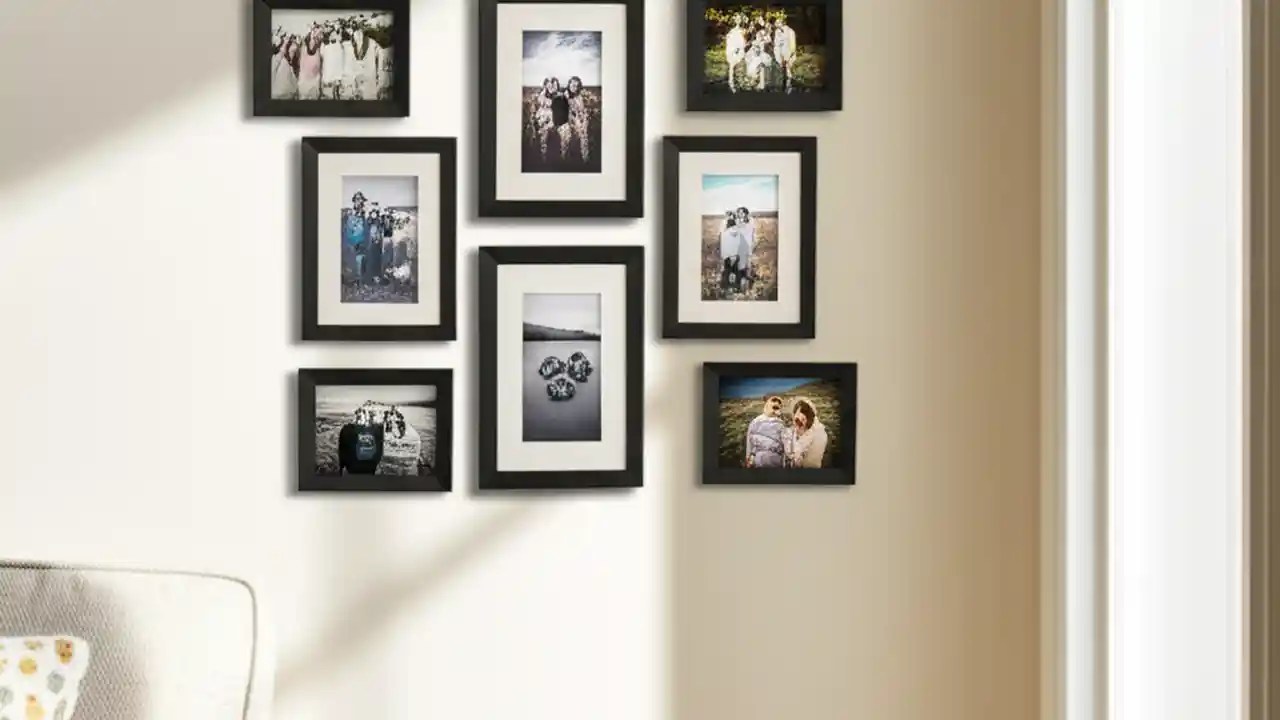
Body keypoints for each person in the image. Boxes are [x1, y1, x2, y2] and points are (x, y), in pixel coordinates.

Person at [338, 407, 385, 474]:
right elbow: (379, 449)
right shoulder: (376, 430)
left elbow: (342, 449)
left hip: (357, 467)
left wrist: (341, 466)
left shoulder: (347, 429)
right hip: (366, 466)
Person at [744, 395, 788, 467]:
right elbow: (749, 442)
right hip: (757, 460)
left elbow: (784, 446)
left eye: (778, 405)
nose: (776, 403)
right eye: (773, 401)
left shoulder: (781, 425)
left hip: (774, 461)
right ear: (767, 404)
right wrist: (748, 458)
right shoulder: (755, 422)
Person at [788, 397, 829, 468]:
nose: (800, 422)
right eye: (797, 419)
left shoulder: (819, 433)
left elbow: (812, 462)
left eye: (803, 419)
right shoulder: (795, 430)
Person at [345, 26, 381, 100]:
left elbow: (378, 55)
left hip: (366, 74)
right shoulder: (351, 45)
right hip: (360, 73)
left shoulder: (371, 43)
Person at [297, 26, 324, 100]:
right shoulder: (309, 43)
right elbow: (311, 52)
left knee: (312, 77)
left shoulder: (314, 41)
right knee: (309, 77)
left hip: (313, 62)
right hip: (309, 62)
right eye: (313, 32)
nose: (315, 33)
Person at [271, 34, 299, 99]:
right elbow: (284, 53)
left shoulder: (286, 44)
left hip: (283, 61)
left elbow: (287, 53)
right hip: (281, 61)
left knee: (283, 75)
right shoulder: (282, 45)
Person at [321, 29, 345, 99]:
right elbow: (324, 55)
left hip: (337, 65)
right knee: (335, 80)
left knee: (337, 80)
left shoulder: (337, 45)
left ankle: (336, 93)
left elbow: (342, 53)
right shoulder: (329, 46)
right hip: (334, 66)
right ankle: (335, 93)